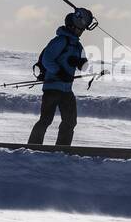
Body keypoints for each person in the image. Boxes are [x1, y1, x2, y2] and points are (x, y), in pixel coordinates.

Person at [27, 9, 92, 146]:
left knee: (70, 121)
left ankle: (63, 148)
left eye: (82, 30)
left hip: (67, 90)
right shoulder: (60, 41)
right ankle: (33, 146)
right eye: (79, 29)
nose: (81, 32)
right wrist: (59, 72)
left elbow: (84, 66)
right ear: (72, 27)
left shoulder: (77, 45)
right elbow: (47, 60)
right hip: (52, 88)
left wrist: (80, 63)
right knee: (46, 120)